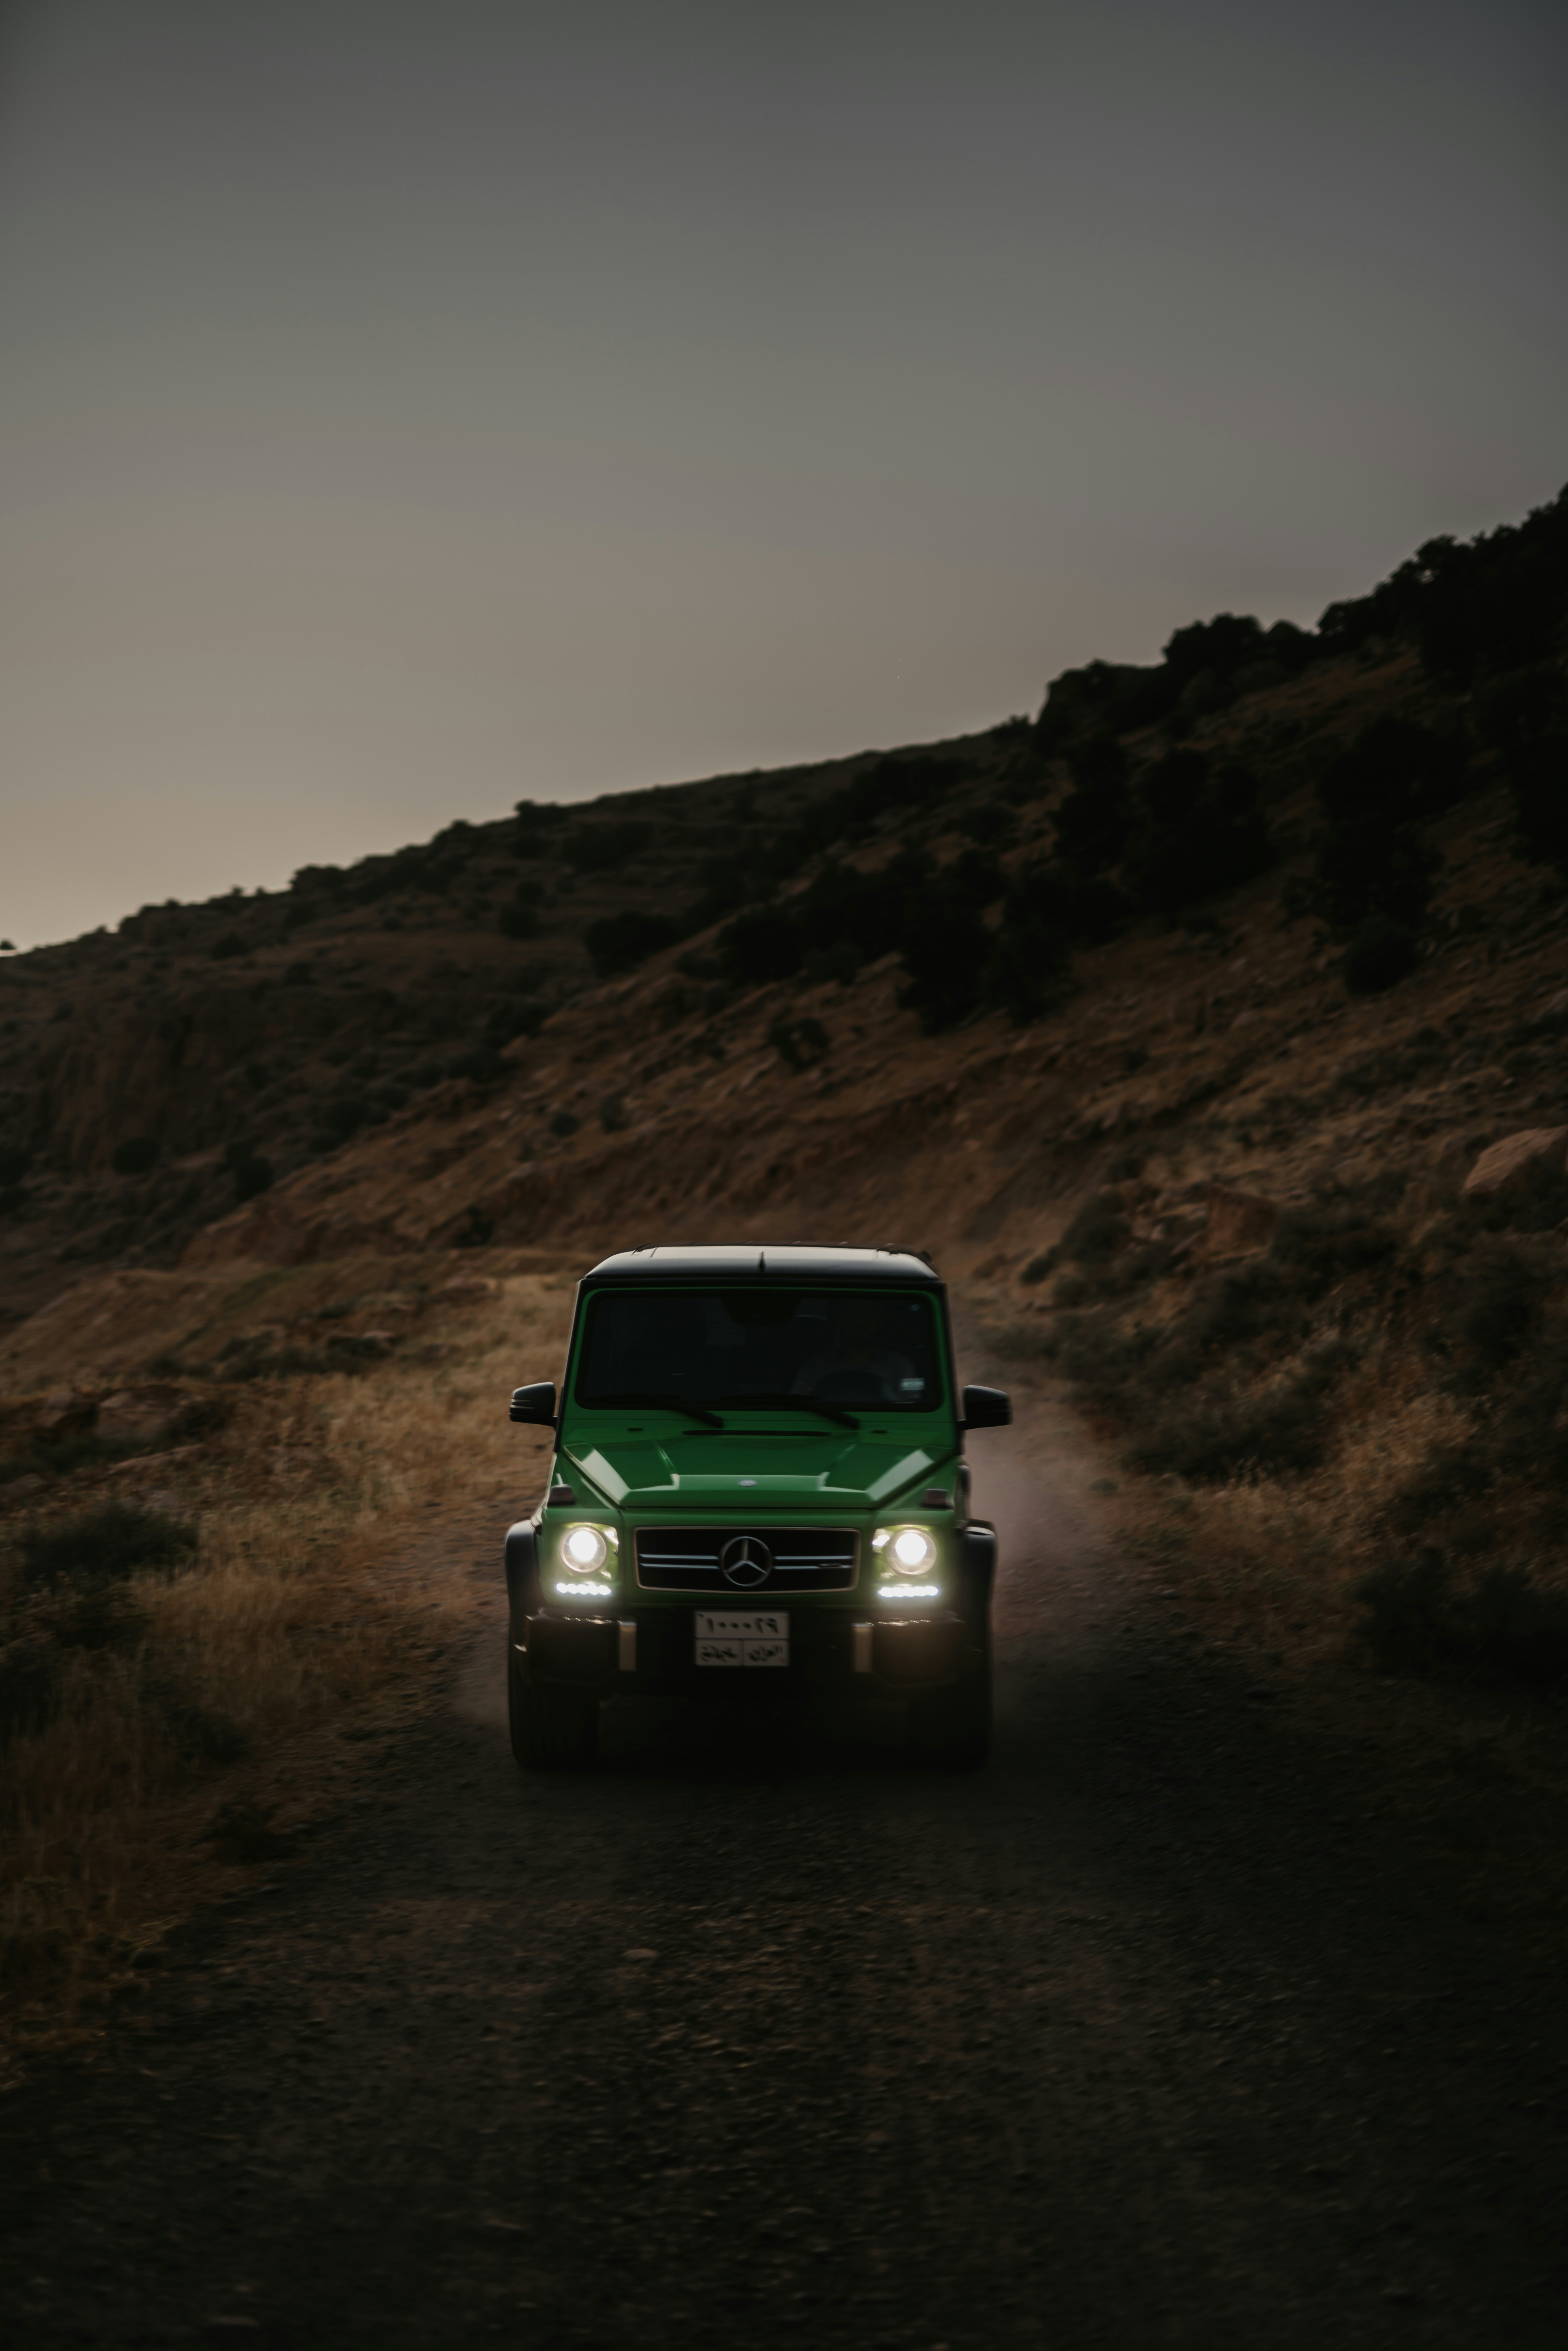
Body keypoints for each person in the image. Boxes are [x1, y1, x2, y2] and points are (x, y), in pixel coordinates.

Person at [791, 1296, 919, 1404]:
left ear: (880, 1320)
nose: (860, 1320)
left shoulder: (902, 1366)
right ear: (840, 1320)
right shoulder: (815, 1366)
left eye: (869, 1314)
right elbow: (798, 1405)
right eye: (852, 1313)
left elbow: (914, 1405)